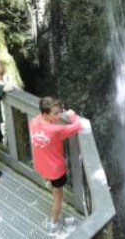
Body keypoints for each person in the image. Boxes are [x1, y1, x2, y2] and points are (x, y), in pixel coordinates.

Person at [29, 96, 82, 235]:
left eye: (60, 112)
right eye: (56, 113)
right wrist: (72, 115)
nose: (59, 116)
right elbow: (78, 126)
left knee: (54, 187)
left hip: (41, 165)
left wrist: (57, 115)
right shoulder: (55, 130)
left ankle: (50, 184)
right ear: (45, 114)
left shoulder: (34, 121)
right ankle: (54, 224)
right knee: (58, 197)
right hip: (55, 170)